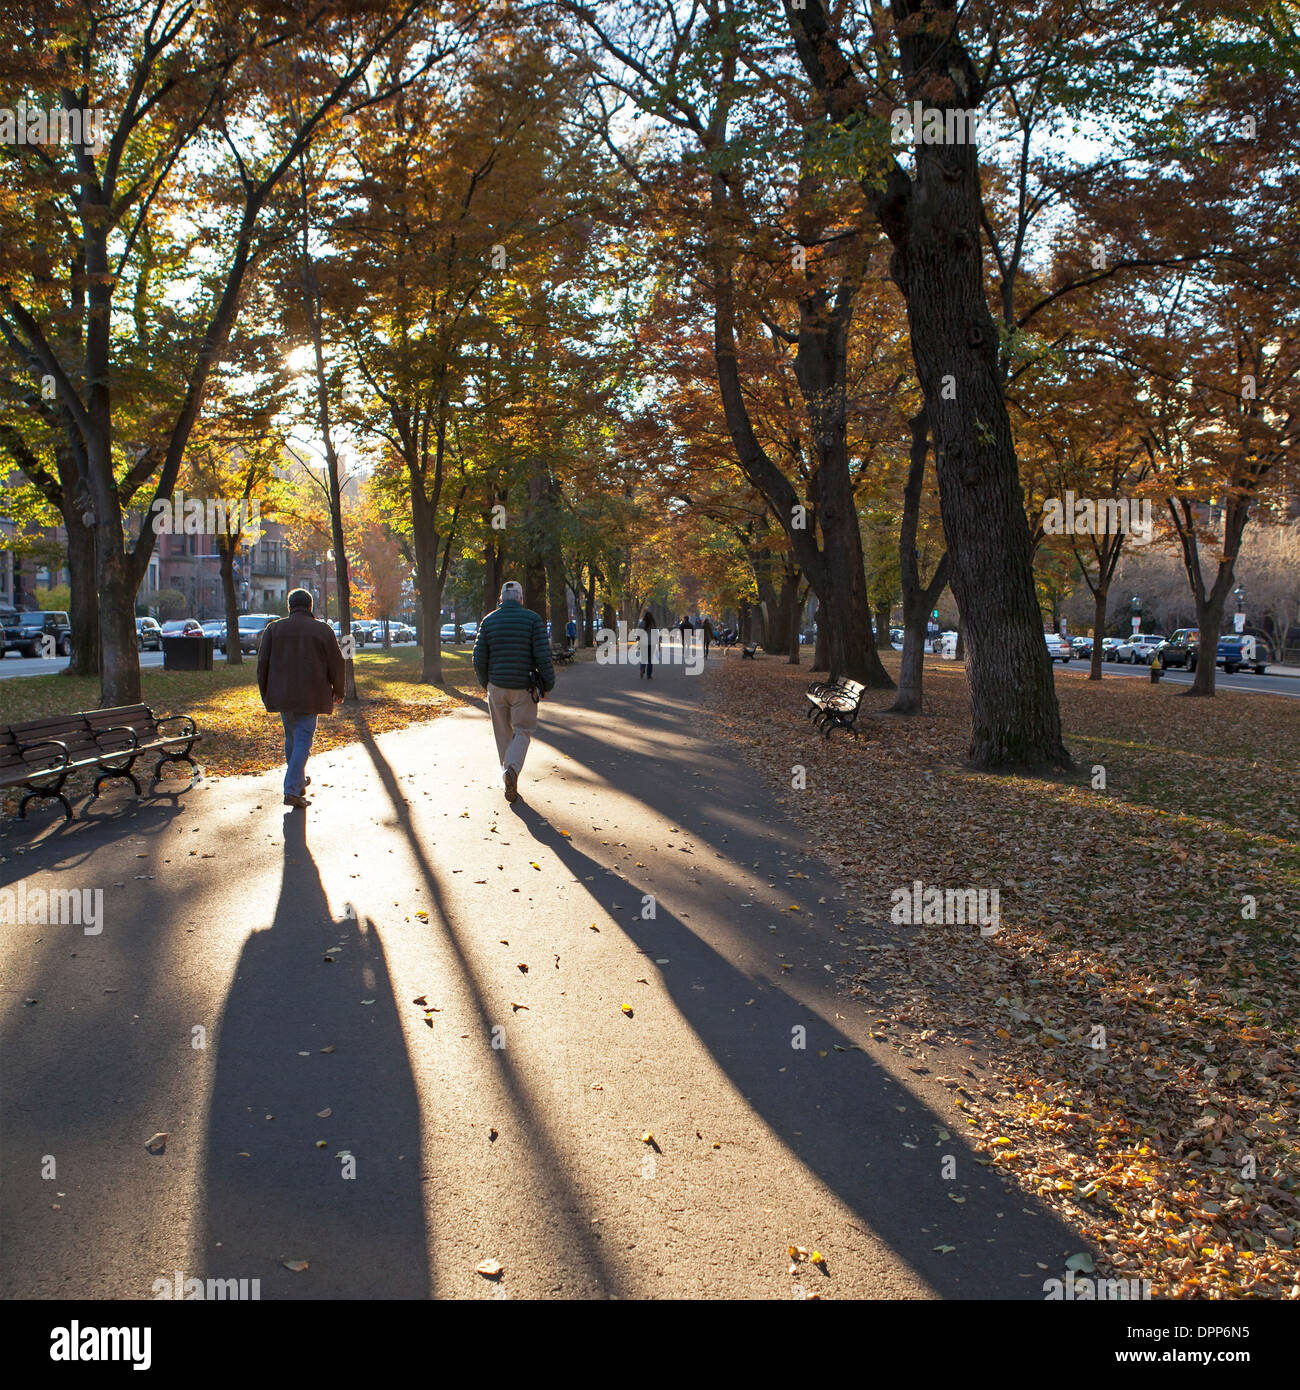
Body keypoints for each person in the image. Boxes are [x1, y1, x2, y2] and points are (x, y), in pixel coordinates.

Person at [256, 588, 345, 809]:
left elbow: (262, 665)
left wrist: (266, 693)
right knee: (303, 740)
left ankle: (297, 781)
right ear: (310, 607)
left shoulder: (274, 629)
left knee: (292, 739)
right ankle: (292, 789)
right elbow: (337, 663)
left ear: (289, 606)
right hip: (312, 694)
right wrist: (339, 690)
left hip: (283, 695)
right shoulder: (322, 630)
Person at [473, 581, 555, 803]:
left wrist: (486, 683)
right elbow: (542, 656)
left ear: (501, 599)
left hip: (496, 687)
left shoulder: (488, 621)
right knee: (523, 731)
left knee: (502, 734)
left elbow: (478, 657)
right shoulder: (533, 620)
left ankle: (507, 773)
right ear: (520, 598)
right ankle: (511, 770)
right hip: (523, 687)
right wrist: (548, 684)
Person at [638, 608, 656, 679]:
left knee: (643, 658)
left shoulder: (642, 623)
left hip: (643, 642)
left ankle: (642, 669)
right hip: (652, 643)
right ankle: (649, 674)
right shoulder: (653, 624)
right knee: (650, 659)